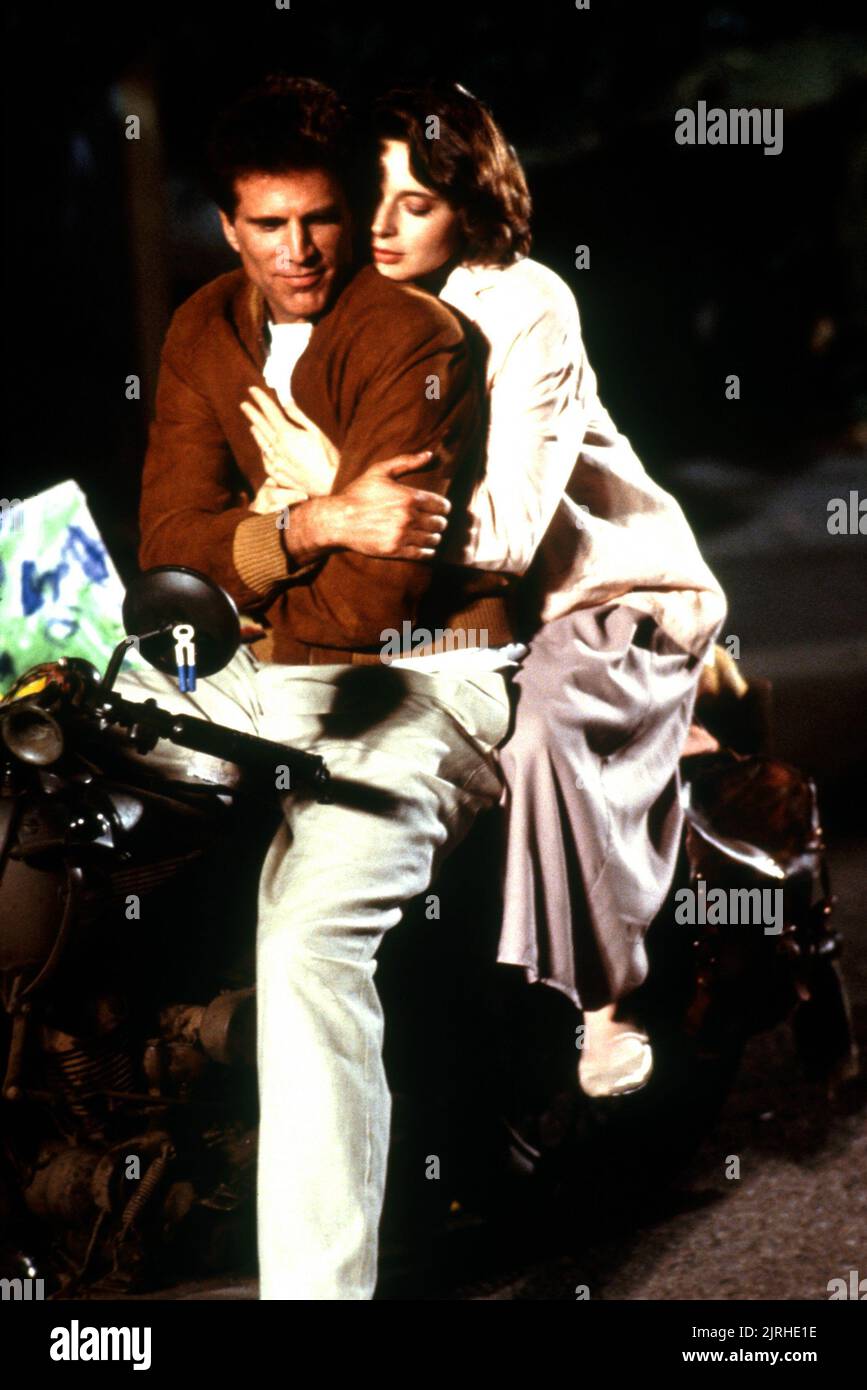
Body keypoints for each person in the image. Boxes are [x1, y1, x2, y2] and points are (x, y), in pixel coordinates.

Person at [118, 75, 527, 1299]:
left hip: (420, 681)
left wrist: (250, 553)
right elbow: (164, 553)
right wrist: (320, 515)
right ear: (229, 225)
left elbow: (371, 610)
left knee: (303, 943)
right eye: (268, 225)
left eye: (321, 222)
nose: (297, 252)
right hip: (257, 666)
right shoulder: (204, 329)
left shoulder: (417, 337)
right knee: (42, 754)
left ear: (351, 213)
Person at [243, 80, 728, 1100]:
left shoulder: (525, 300)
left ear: (466, 205)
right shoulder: (332, 297)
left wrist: (335, 499)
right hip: (440, 613)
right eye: (366, 196)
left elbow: (505, 537)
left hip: (593, 592)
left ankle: (602, 1004)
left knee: (543, 717)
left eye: (414, 203)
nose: (379, 227)